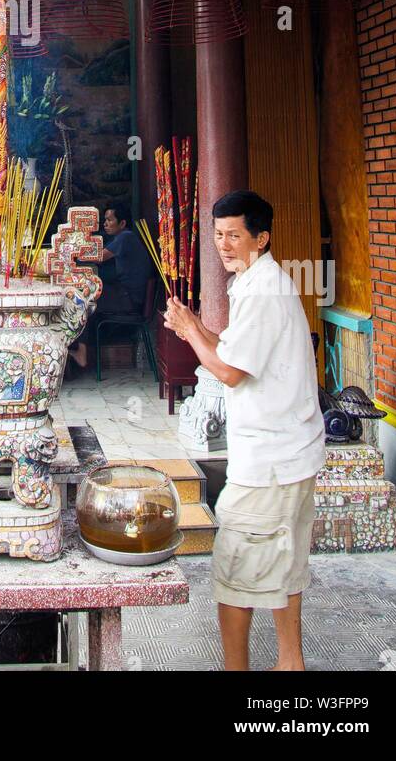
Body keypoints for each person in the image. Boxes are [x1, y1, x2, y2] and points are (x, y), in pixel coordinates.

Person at [164, 190, 325, 673]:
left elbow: (230, 373)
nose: (224, 244)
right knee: (284, 568)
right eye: (217, 235)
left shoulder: (263, 292)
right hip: (293, 457)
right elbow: (233, 352)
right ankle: (290, 665)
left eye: (235, 235)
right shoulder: (260, 283)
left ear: (262, 238)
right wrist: (195, 329)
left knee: (235, 575)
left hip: (268, 467)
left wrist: (192, 331)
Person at [69, 201, 156, 371]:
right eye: (105, 220)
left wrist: (71, 252)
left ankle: (82, 353)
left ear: (122, 223)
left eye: (110, 220)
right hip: (126, 295)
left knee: (84, 298)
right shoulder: (124, 238)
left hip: (128, 299)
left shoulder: (126, 237)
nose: (105, 224)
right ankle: (84, 350)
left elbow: (100, 257)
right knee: (88, 295)